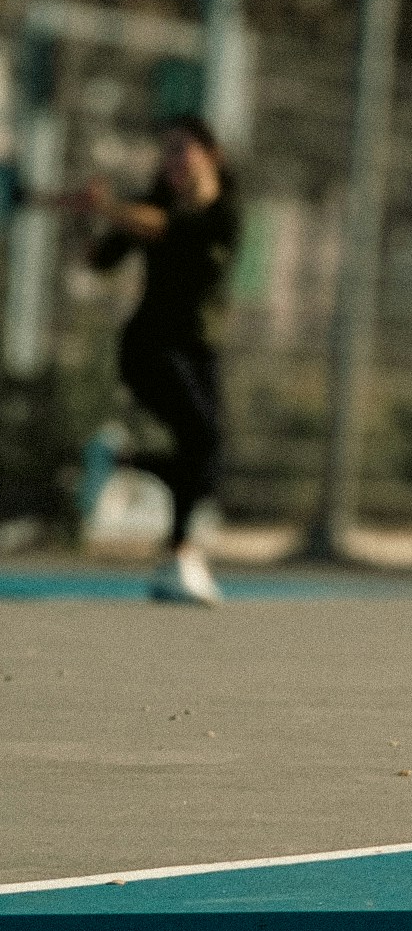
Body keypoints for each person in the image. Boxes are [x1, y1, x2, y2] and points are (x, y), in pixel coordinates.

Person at [77, 116, 242, 607]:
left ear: (210, 154)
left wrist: (112, 207)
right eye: (166, 150)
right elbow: (100, 260)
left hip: (199, 351)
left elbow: (175, 229)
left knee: (208, 462)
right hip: (148, 348)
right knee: (200, 437)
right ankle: (180, 556)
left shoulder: (224, 214)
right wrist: (95, 217)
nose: (173, 159)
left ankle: (120, 462)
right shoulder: (146, 211)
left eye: (183, 148)